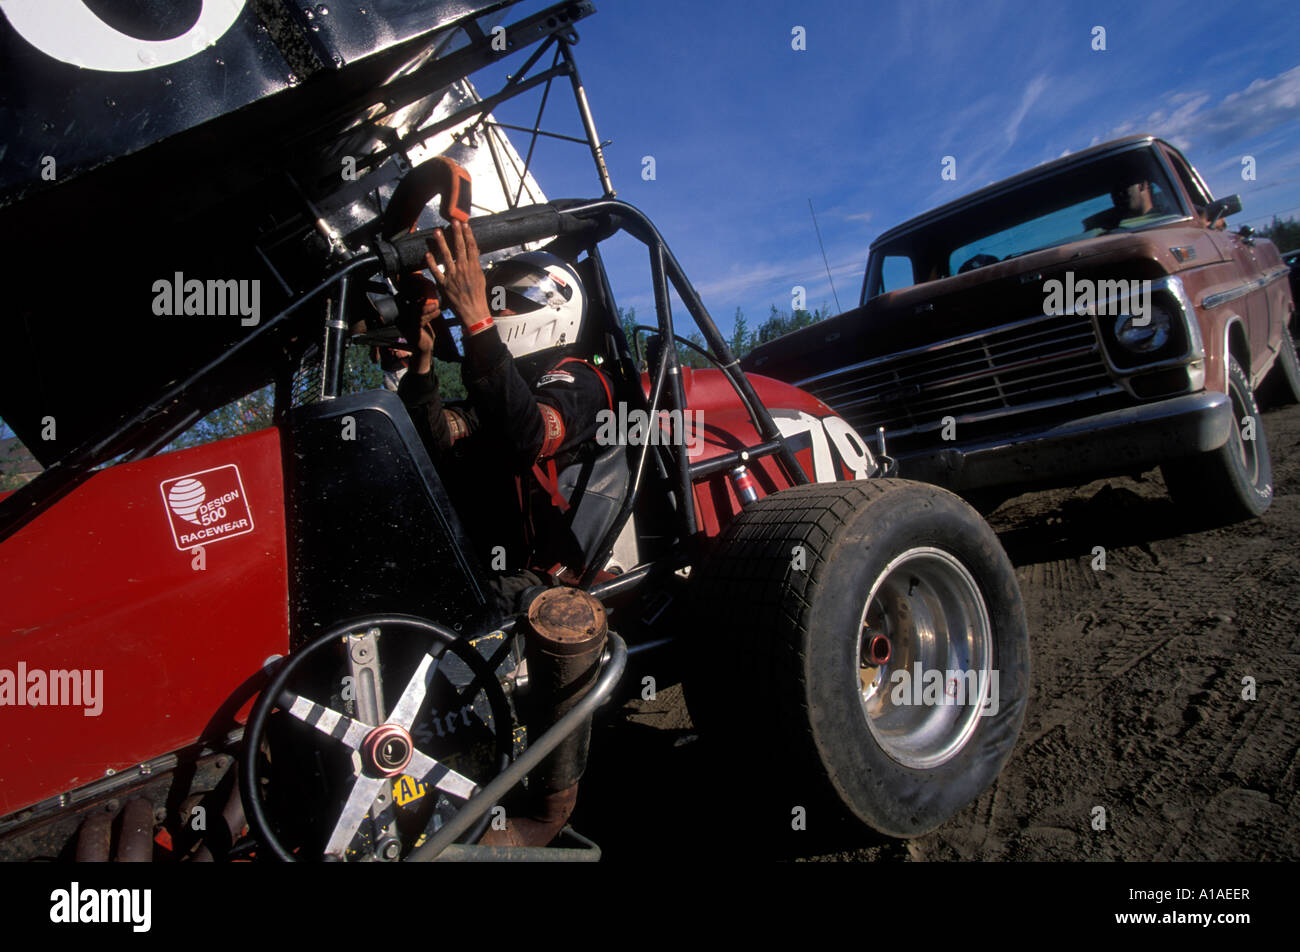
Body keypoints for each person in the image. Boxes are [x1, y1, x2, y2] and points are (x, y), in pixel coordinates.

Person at [394, 221, 614, 604]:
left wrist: (478, 324)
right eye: (491, 300)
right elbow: (434, 444)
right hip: (497, 570)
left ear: (555, 304)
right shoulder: (506, 388)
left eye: (507, 298)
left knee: (446, 608)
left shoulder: (579, 380)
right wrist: (422, 363)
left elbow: (529, 434)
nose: (496, 308)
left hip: (554, 581)